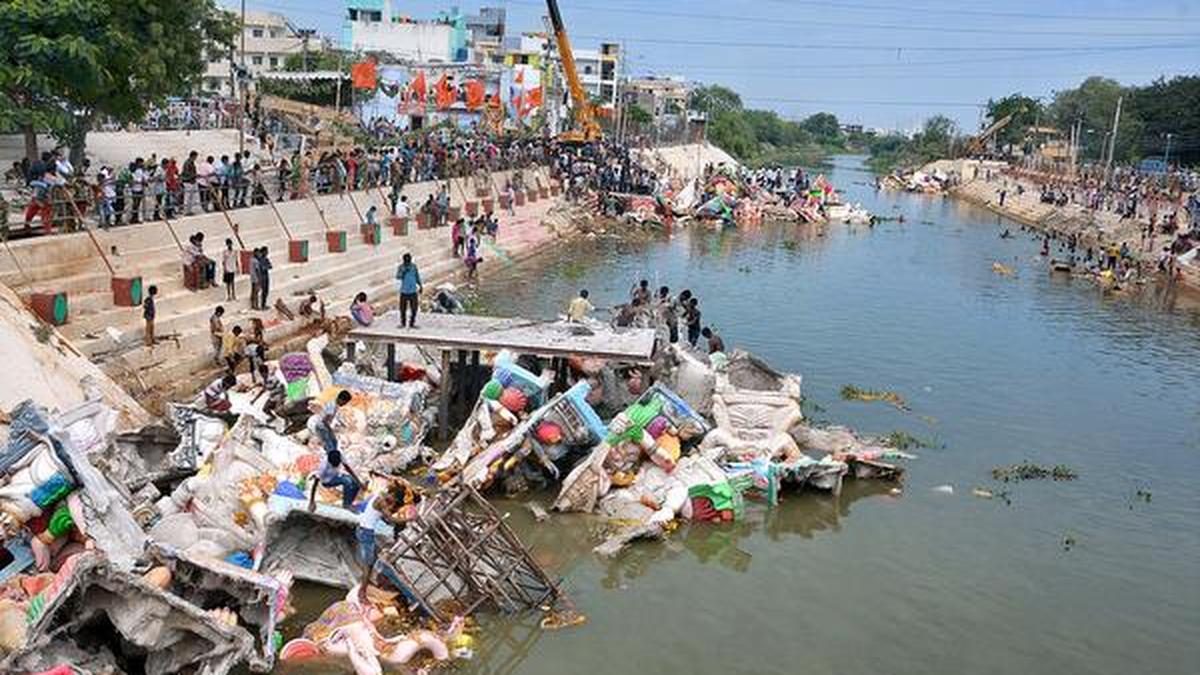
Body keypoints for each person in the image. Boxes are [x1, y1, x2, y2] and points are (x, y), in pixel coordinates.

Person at [308, 389, 353, 455]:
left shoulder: (334, 404)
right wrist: (330, 430)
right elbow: (325, 420)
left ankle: (332, 454)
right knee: (330, 444)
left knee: (334, 442)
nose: (344, 404)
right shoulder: (332, 406)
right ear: (341, 399)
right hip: (321, 426)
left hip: (323, 425)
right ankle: (331, 456)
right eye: (345, 402)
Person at [396, 253, 422, 328]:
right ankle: (403, 323)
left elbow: (417, 276)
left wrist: (420, 285)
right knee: (402, 309)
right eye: (406, 260)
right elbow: (398, 276)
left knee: (414, 308)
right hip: (404, 291)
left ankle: (412, 323)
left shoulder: (414, 267)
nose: (407, 262)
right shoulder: (401, 267)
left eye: (409, 260)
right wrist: (403, 272)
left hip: (413, 290)